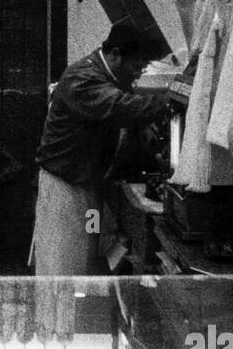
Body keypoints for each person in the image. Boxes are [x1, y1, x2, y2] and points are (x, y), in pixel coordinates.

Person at [31, 22, 167, 275]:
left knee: (86, 262)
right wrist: (170, 101)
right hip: (65, 191)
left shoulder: (107, 77)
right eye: (136, 66)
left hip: (88, 188)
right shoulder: (82, 79)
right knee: (63, 271)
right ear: (115, 54)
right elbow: (118, 107)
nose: (138, 73)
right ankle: (57, 317)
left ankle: (80, 312)